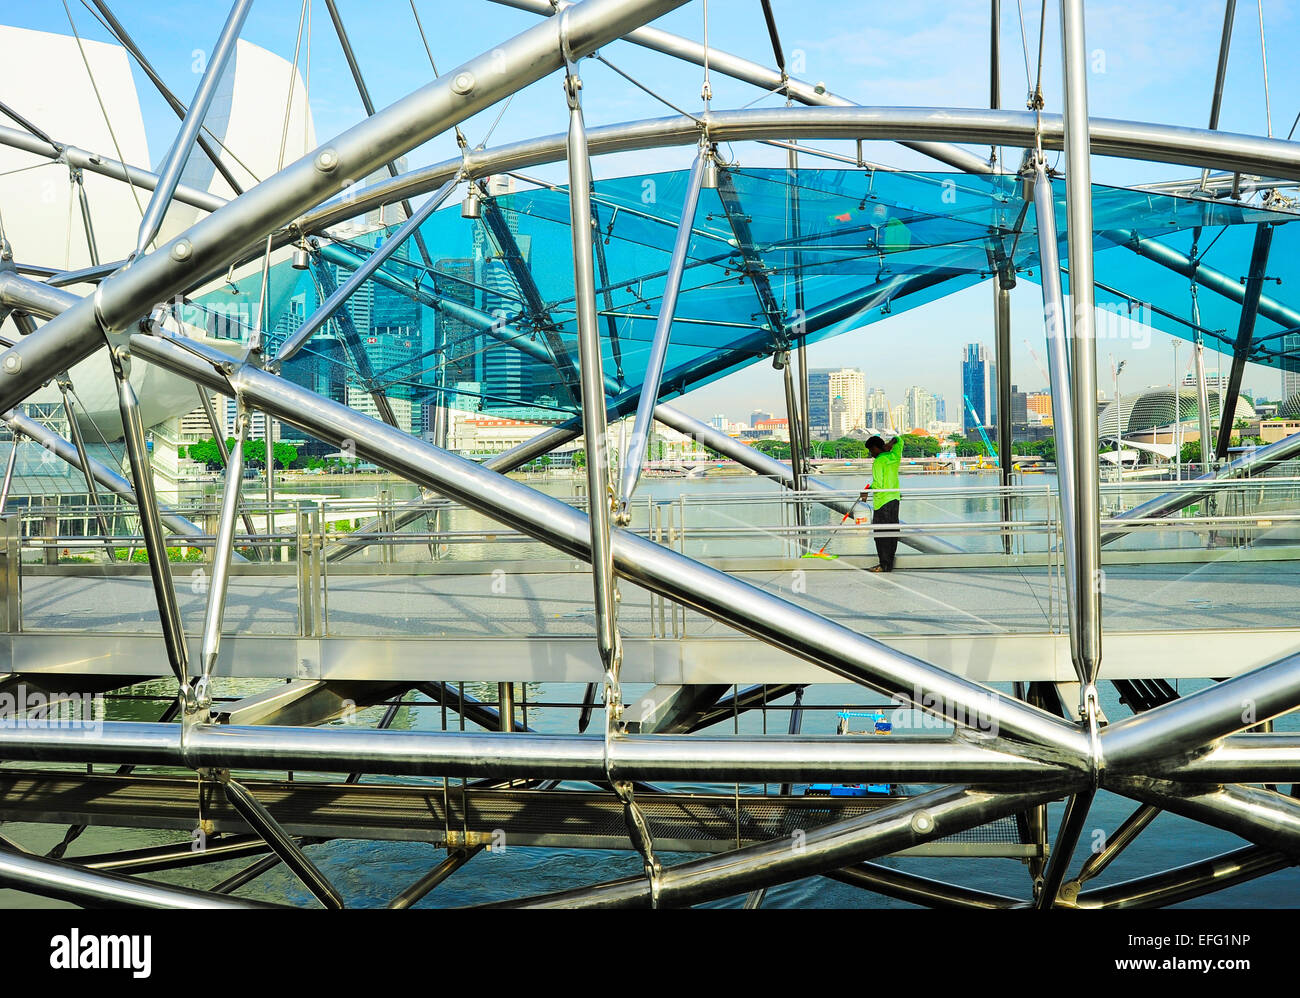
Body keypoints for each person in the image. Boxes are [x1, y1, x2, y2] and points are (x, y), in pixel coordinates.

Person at [859, 434, 902, 572]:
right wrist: (891, 442)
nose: (871, 453)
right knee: (892, 531)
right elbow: (900, 441)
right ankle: (888, 563)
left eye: (871, 450)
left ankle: (884, 565)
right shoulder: (894, 456)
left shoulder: (878, 461)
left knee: (880, 533)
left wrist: (866, 490)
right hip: (894, 499)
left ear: (876, 448)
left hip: (882, 501)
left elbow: (878, 484)